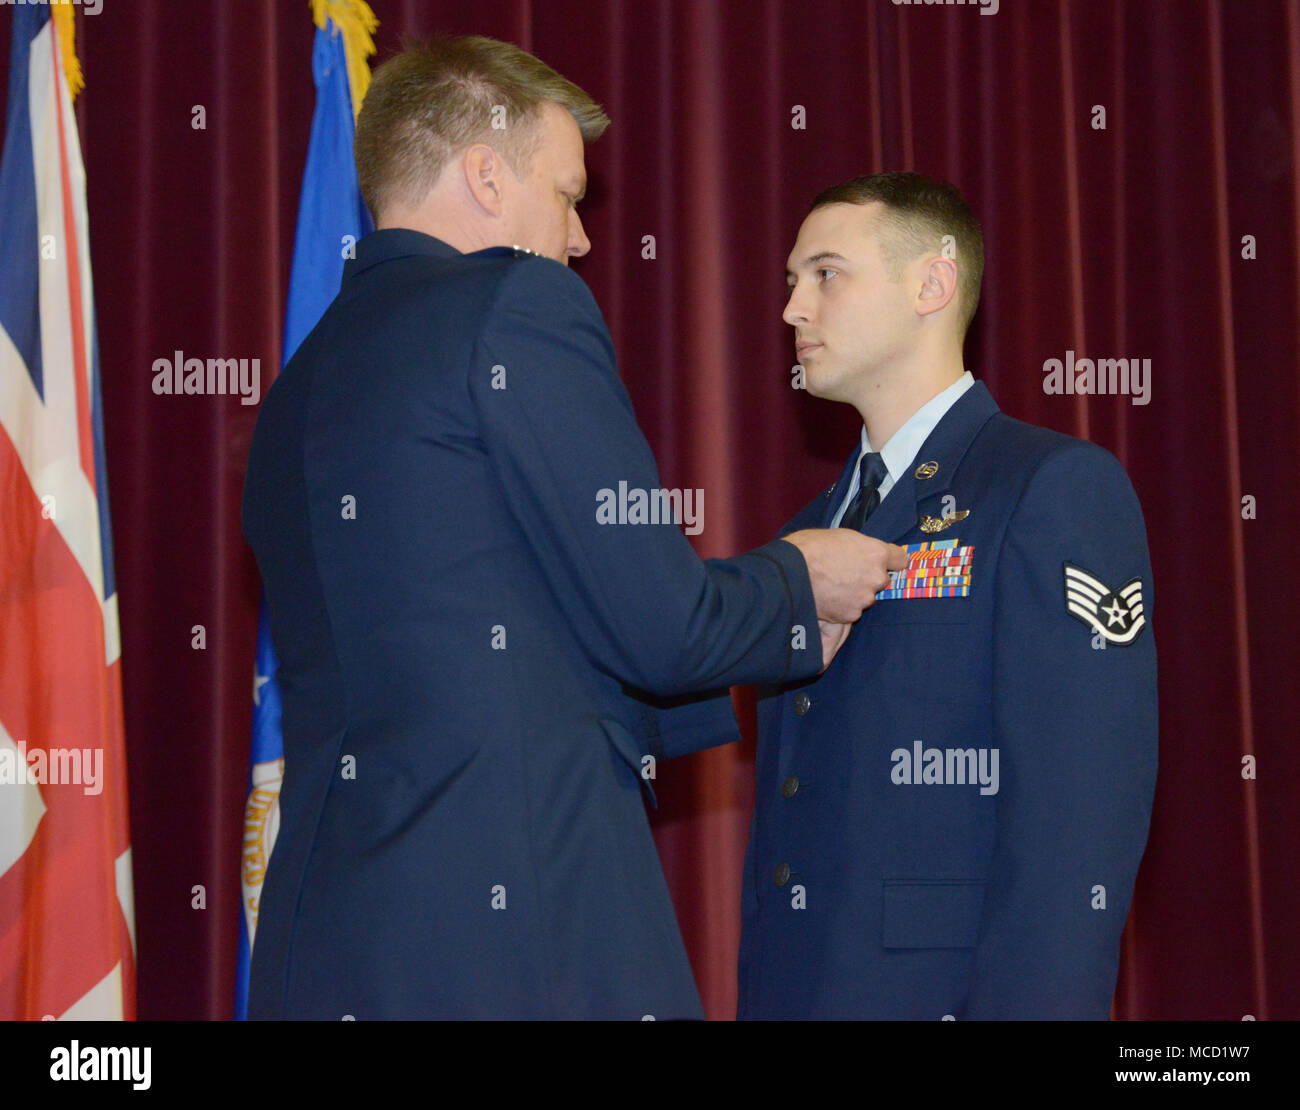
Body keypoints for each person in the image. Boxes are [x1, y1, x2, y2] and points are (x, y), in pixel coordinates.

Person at [241, 36, 902, 1020]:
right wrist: (798, 584)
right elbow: (662, 624)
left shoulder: (292, 395)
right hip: (520, 930)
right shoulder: (514, 304)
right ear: (484, 174)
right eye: (567, 193)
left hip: (326, 938)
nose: (584, 237)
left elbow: (506, 631)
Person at [737, 172, 1158, 1019]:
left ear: (932, 284)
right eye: (790, 282)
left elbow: (1077, 823)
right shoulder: (807, 534)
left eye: (825, 274)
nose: (792, 309)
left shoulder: (1049, 488)